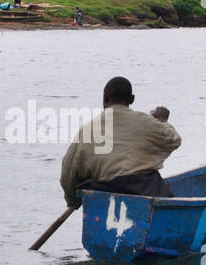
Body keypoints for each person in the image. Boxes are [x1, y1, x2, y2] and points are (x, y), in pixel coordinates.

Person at [60, 76, 181, 208]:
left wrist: (73, 201)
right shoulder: (146, 122)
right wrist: (162, 120)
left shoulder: (88, 129)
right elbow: (174, 140)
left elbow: (69, 172)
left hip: (104, 193)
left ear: (105, 98)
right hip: (143, 191)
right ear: (132, 99)